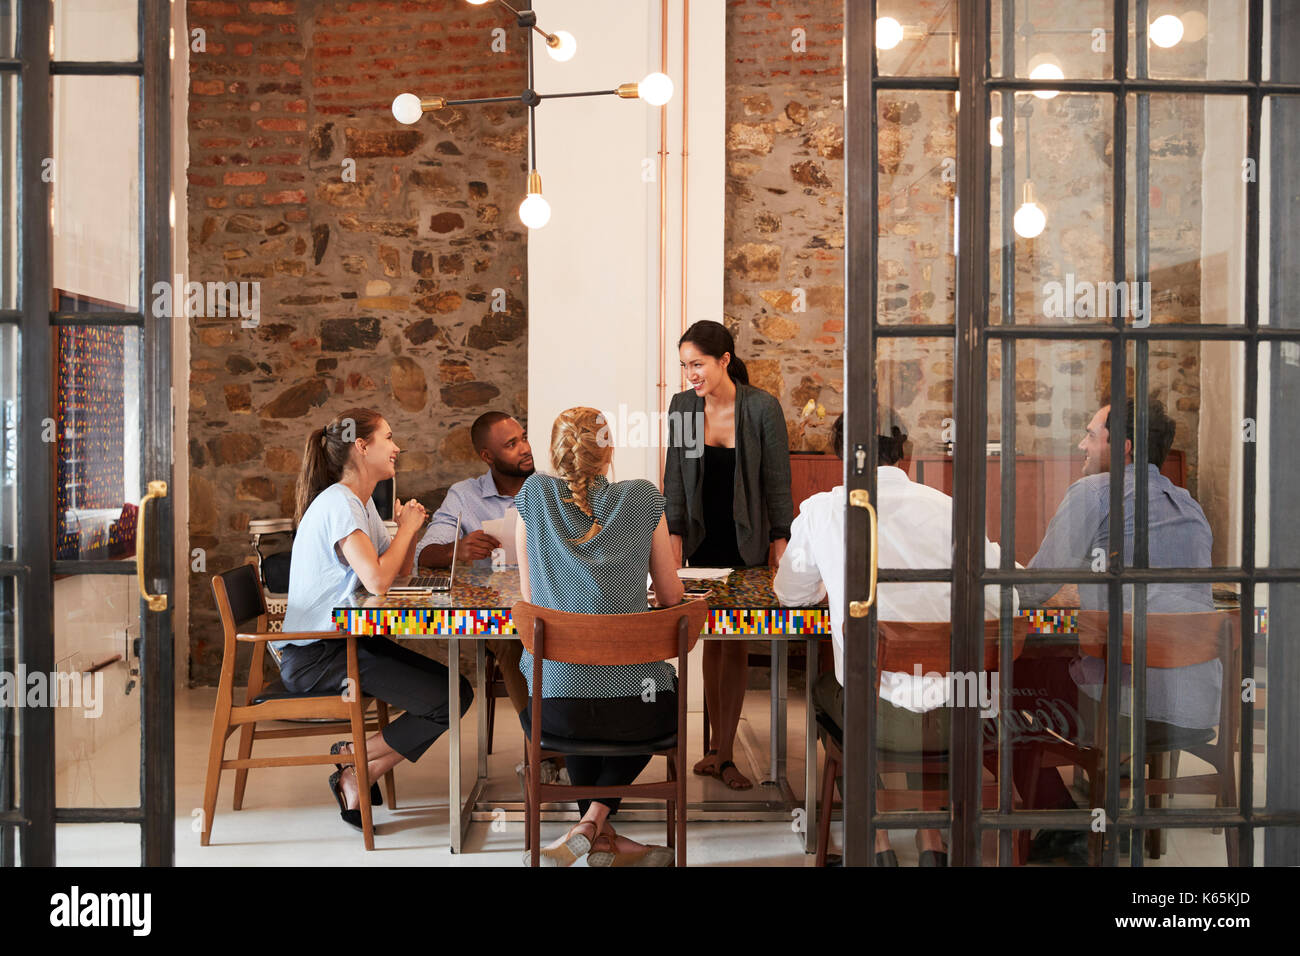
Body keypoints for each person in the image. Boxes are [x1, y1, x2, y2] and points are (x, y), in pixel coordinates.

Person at [774, 412, 1013, 866]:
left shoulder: (823, 511)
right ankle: (931, 845)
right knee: (927, 704)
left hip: (874, 715)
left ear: (841, 456)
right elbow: (1006, 591)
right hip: (957, 713)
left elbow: (791, 596)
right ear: (903, 453)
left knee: (832, 690)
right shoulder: (948, 509)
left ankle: (878, 847)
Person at [1014, 397, 1215, 863]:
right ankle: (1104, 803)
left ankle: (1064, 822)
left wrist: (982, 583)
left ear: (1122, 448)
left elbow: (1034, 588)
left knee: (1000, 677)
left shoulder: (1094, 493)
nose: (1082, 444)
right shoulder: (1190, 506)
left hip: (1123, 711)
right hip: (1192, 708)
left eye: (1090, 435)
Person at [277, 408, 473, 831]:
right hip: (316, 656)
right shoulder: (339, 503)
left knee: (456, 691)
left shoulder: (360, 503)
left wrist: (409, 529)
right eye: (389, 437)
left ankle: (357, 766)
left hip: (347, 642)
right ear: (362, 447)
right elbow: (378, 582)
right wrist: (405, 531)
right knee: (449, 697)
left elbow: (398, 571)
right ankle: (356, 762)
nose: (397, 446)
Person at [514, 406, 684, 866]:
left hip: (555, 707)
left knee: (577, 695)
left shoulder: (532, 495)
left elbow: (530, 604)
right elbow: (672, 598)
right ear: (609, 452)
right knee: (655, 705)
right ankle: (597, 826)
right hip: (638, 709)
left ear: (555, 452)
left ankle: (591, 827)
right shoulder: (644, 499)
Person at [663, 319, 793, 791]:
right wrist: (674, 540)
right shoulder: (684, 407)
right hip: (698, 541)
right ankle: (713, 749)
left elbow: (778, 482)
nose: (690, 374)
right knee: (708, 638)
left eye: (697, 364)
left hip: (745, 540)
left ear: (723, 360)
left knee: (732, 643)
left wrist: (781, 540)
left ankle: (724, 752)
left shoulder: (760, 408)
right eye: (684, 366)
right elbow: (674, 479)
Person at [416, 411, 537, 740]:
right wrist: (457, 550)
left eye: (523, 437)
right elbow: (424, 554)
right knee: (516, 643)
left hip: (550, 604)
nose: (525, 448)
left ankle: (578, 742)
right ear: (487, 456)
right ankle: (542, 746)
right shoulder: (464, 496)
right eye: (511, 444)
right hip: (498, 613)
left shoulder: (551, 489)